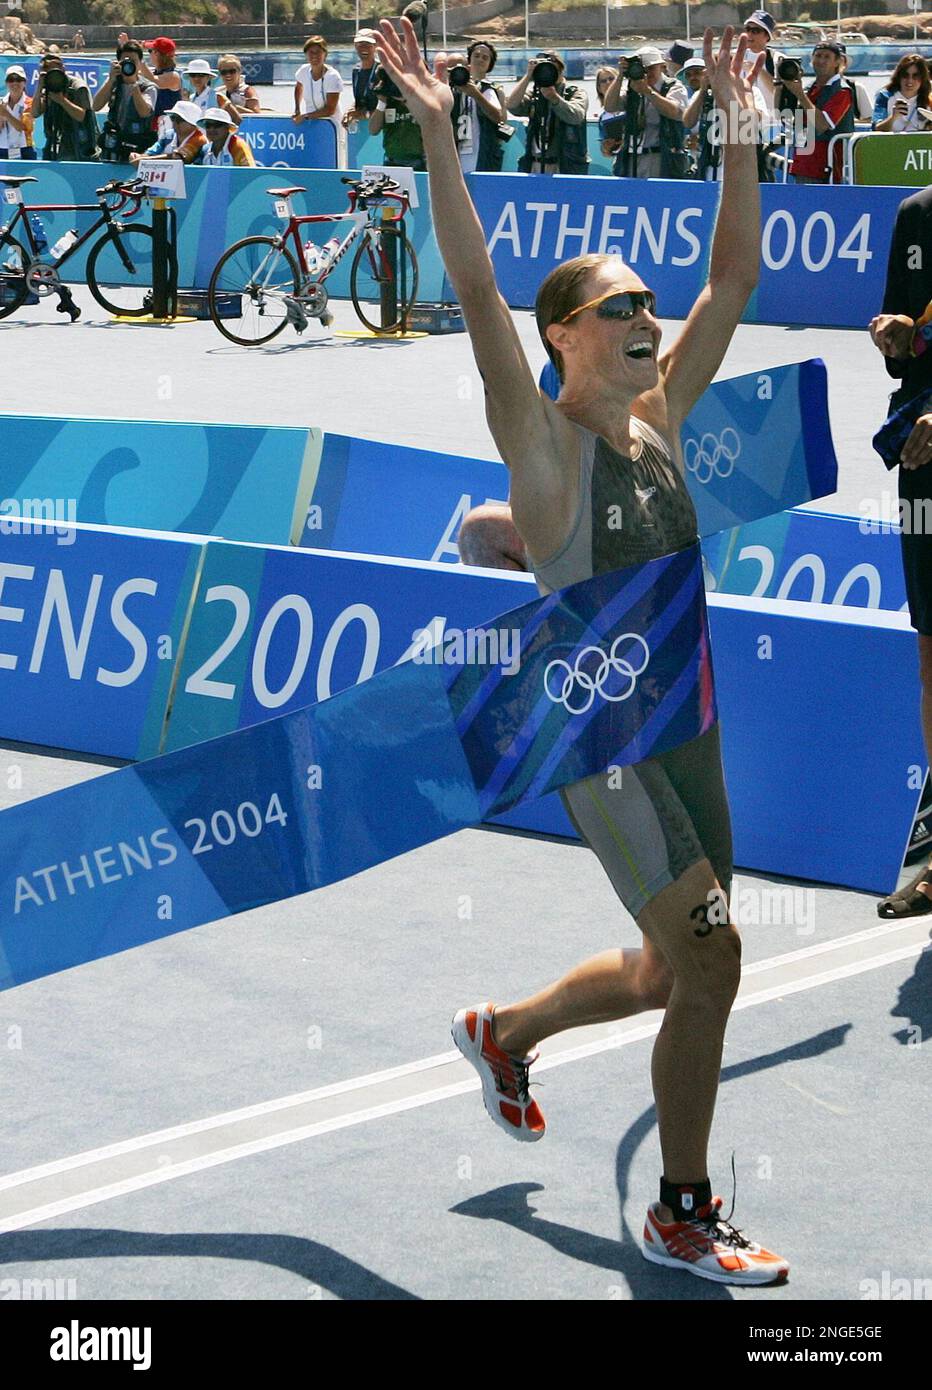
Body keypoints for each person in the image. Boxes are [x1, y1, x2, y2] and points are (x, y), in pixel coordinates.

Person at [375, 15, 790, 1287]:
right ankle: (681, 1207)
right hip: (599, 739)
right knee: (717, 955)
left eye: (642, 305)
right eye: (620, 306)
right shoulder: (543, 446)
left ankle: (502, 1031)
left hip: (690, 714)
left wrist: (734, 128)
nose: (646, 316)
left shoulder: (661, 417)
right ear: (562, 334)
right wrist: (439, 130)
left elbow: (734, 280)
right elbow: (469, 283)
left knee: (677, 966)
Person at [870, 188, 932, 919]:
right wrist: (893, 336)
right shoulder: (915, 216)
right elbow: (906, 351)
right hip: (922, 460)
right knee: (931, 655)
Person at [600, 46, 688, 179]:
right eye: (644, 69)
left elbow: (674, 112)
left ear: (662, 67)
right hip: (632, 156)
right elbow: (610, 106)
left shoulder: (674, 86)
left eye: (651, 68)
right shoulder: (632, 87)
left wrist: (648, 91)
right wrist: (620, 77)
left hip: (662, 156)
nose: (647, 73)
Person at [506, 50, 588, 175]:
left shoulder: (574, 93)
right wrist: (528, 76)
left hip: (565, 166)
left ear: (561, 68)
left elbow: (576, 116)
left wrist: (555, 98)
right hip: (534, 165)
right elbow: (512, 105)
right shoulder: (535, 94)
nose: (547, 69)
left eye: (551, 63)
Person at [785, 41, 854, 183]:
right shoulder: (809, 89)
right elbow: (787, 119)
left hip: (826, 169)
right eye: (817, 56)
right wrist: (783, 88)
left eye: (827, 57)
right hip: (803, 165)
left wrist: (800, 95)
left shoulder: (842, 91)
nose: (821, 60)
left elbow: (823, 125)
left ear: (838, 62)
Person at [93, 38, 156, 163]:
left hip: (136, 150)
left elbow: (144, 112)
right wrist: (111, 80)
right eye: (126, 61)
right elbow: (96, 106)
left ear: (140, 63)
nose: (129, 65)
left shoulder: (149, 87)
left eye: (134, 61)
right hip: (113, 146)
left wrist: (134, 85)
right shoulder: (113, 82)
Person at [448, 41, 506, 174]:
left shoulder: (490, 90)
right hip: (457, 156)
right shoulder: (454, 88)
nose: (480, 59)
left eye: (485, 58)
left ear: (490, 65)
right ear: (469, 59)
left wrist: (475, 94)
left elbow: (498, 117)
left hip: (482, 157)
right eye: (476, 55)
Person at [32, 48, 98, 162]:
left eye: (54, 69)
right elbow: (35, 113)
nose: (51, 73)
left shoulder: (78, 87)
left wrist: (62, 100)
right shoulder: (48, 88)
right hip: (55, 146)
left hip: (79, 147)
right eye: (46, 70)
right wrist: (39, 87)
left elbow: (82, 116)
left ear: (63, 68)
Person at [369, 61, 426, 171]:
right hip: (392, 161)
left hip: (417, 161)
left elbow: (425, 123)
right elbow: (373, 130)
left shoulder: (421, 100)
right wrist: (382, 102)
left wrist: (407, 99)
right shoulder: (387, 102)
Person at [293, 34, 343, 140]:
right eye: (311, 52)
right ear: (306, 54)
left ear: (325, 54)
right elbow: (298, 87)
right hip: (311, 125)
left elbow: (330, 110)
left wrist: (306, 116)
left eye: (318, 52)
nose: (314, 56)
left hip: (332, 127)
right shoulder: (303, 71)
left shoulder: (333, 76)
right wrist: (297, 109)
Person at [129, 100, 205, 165]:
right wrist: (139, 157)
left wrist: (144, 161)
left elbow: (178, 157)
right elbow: (152, 152)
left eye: (179, 119)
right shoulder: (169, 135)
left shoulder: (200, 139)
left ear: (192, 124)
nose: (174, 122)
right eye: (172, 118)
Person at [872, 54, 932, 133]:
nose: (910, 81)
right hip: (891, 143)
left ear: (923, 78)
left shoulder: (929, 99)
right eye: (905, 75)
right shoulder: (885, 96)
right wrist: (893, 117)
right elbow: (876, 128)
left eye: (915, 76)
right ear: (899, 76)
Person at [139, 34, 183, 136]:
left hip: (168, 127)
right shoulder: (155, 72)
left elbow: (155, 82)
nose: (149, 54)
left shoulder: (173, 76)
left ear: (157, 54)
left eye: (150, 51)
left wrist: (139, 58)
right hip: (152, 125)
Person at [343, 28, 380, 131]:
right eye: (360, 45)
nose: (364, 49)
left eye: (368, 45)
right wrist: (349, 113)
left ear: (375, 47)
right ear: (355, 46)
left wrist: (364, 114)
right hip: (363, 129)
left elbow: (388, 105)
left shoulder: (382, 70)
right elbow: (360, 100)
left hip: (381, 128)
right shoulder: (356, 70)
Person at [0, 65, 36, 159]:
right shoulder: (1, 103)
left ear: (24, 82)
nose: (15, 83)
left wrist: (6, 115)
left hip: (25, 149)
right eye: (11, 80)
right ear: (6, 83)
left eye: (18, 79)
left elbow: (24, 128)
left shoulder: (30, 103)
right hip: (3, 148)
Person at [215, 54, 259, 126]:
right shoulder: (217, 92)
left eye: (232, 71)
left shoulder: (247, 91)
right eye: (224, 72)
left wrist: (233, 108)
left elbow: (257, 116)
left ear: (239, 71)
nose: (228, 75)